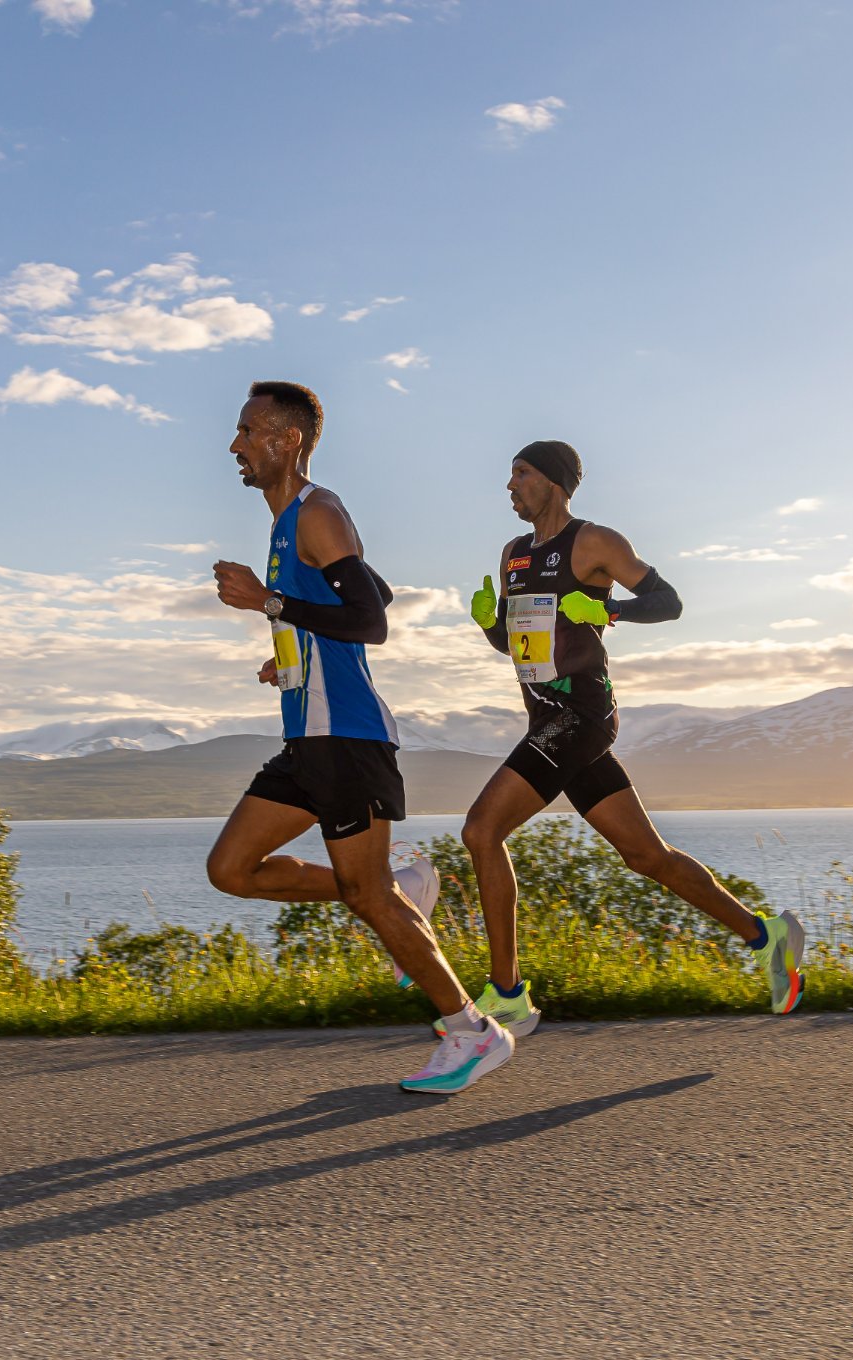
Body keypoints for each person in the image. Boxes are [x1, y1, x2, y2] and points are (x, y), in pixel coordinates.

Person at [204, 381, 513, 1094]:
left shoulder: (317, 512)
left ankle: (472, 1031)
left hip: (346, 736)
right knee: (232, 868)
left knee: (367, 895)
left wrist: (269, 602)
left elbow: (372, 617)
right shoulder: (289, 522)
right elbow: (372, 591)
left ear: (286, 441)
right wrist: (291, 650)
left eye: (248, 431)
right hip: (308, 735)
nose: (235, 446)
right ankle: (405, 884)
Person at [456, 440, 805, 1037]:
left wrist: (608, 611)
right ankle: (766, 934)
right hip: (547, 723)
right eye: (510, 475)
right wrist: (492, 622)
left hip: (584, 716)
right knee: (646, 857)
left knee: (480, 830)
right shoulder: (513, 554)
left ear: (556, 483)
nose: (509, 485)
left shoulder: (595, 543)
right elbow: (517, 645)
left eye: (521, 473)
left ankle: (507, 993)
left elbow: (667, 602)